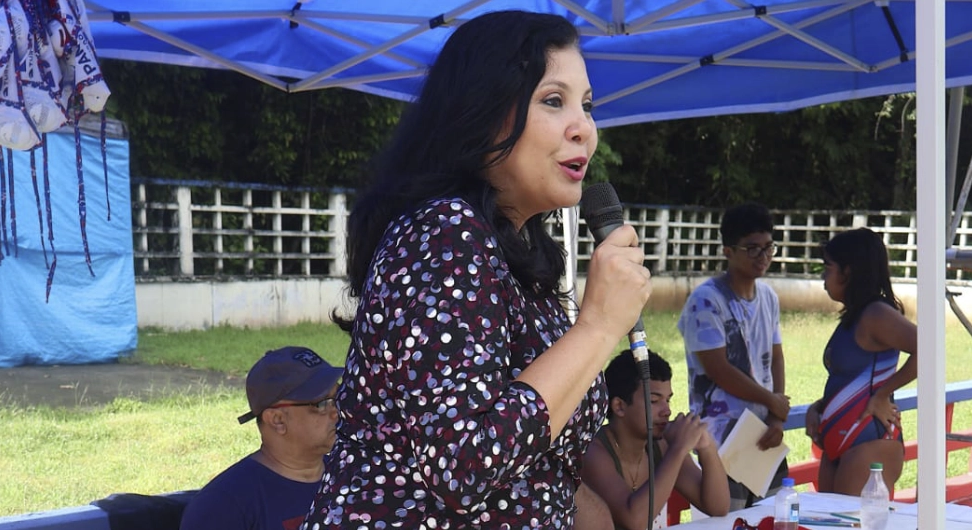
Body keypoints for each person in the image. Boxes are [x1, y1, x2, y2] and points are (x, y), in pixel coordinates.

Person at [302, 10, 651, 529]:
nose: (585, 130)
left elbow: (537, 465)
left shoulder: (512, 253)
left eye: (588, 106)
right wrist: (599, 328)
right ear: (483, 113)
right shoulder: (443, 232)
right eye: (553, 101)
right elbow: (464, 464)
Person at [676, 202, 789, 510]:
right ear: (728, 250)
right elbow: (719, 370)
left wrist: (777, 417)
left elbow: (775, 357)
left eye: (768, 248)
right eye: (752, 248)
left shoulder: (768, 297)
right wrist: (771, 400)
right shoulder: (706, 301)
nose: (763, 257)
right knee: (728, 516)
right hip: (722, 438)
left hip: (764, 432)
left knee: (773, 517)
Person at [804, 227, 917, 495]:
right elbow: (851, 378)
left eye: (828, 267)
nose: (823, 275)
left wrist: (883, 395)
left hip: (869, 442)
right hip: (838, 440)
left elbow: (930, 349)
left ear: (849, 271)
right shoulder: (855, 316)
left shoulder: (876, 313)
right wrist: (819, 407)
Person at [179, 346, 343, 530]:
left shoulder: (354, 475)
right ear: (277, 420)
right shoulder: (224, 506)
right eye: (321, 404)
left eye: (339, 397)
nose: (337, 412)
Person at [582, 350, 730, 530]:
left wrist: (707, 447)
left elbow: (718, 507)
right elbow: (635, 520)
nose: (666, 410)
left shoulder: (663, 445)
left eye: (668, 400)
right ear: (619, 406)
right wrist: (678, 449)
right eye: (654, 401)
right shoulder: (593, 453)